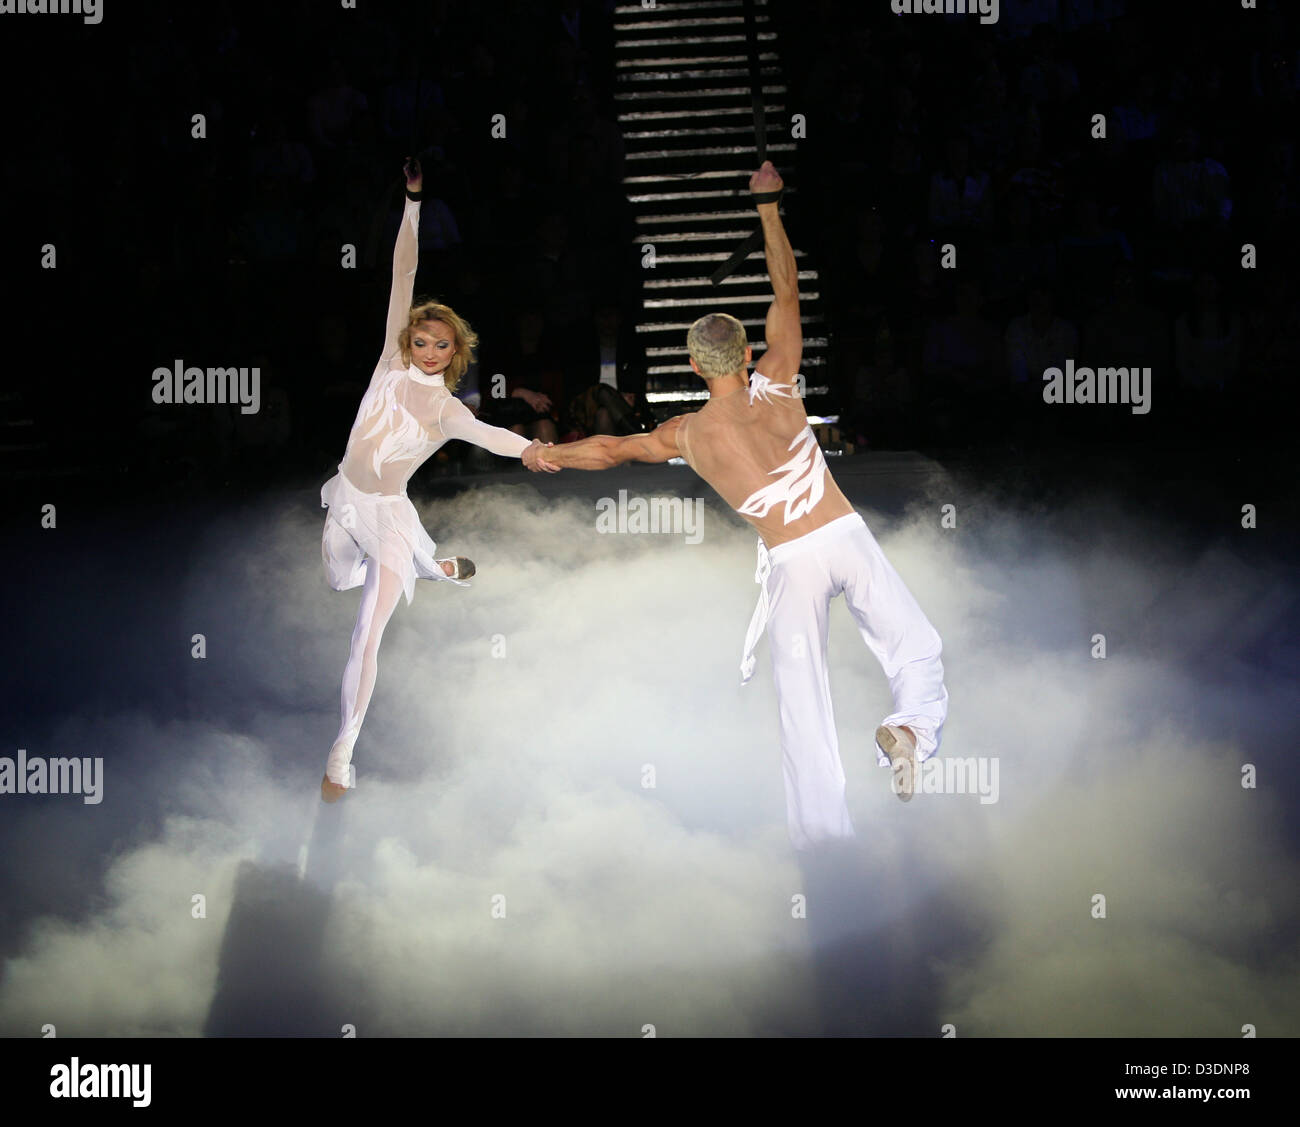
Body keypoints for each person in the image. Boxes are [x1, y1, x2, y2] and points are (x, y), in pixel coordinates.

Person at [534, 162, 949, 852]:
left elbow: (607, 448)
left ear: (695, 368)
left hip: (791, 562)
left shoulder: (688, 434)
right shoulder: (779, 383)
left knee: (802, 712)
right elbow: (787, 288)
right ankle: (909, 729)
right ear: (749, 353)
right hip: (843, 532)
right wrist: (768, 205)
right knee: (917, 648)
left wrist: (548, 455)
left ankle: (826, 844)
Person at [320, 158, 555, 803]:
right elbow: (404, 269)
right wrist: (413, 203)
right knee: (337, 571)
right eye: (421, 340)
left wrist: (534, 451)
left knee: (368, 631)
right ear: (410, 339)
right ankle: (435, 565)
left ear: (456, 354)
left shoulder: (449, 409)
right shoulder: (389, 361)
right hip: (344, 501)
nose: (427, 351)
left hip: (388, 514)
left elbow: (494, 437)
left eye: (440, 346)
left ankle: (343, 750)